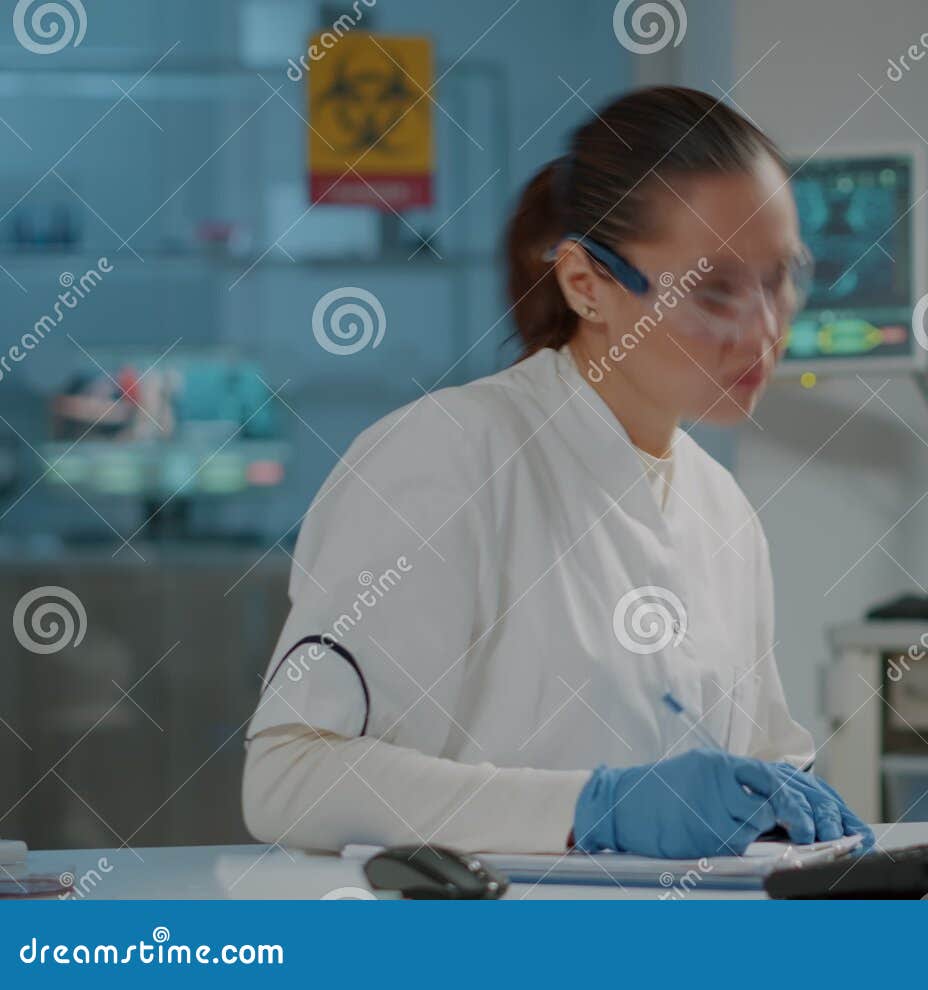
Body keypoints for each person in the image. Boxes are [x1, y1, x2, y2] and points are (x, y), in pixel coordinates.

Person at [240, 86, 873, 860]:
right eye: (714, 289)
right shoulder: (449, 455)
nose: (765, 330)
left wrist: (783, 809)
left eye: (780, 279)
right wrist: (590, 808)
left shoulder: (722, 511)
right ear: (585, 284)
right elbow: (289, 780)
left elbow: (763, 764)